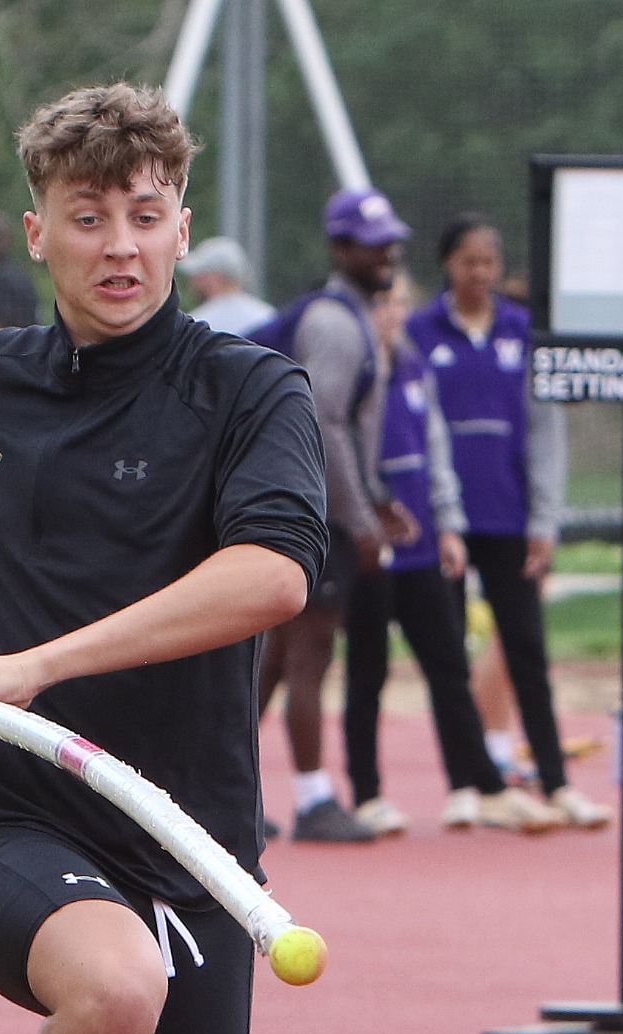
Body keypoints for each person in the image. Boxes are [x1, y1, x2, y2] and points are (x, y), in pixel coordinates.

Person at [0, 83, 326, 1034]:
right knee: (116, 987)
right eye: (86, 217)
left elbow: (270, 579)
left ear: (179, 226)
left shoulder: (250, 391)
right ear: (37, 234)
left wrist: (35, 663)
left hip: (194, 845)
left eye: (145, 214)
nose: (118, 247)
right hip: (14, 820)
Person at [408, 214, 610, 829]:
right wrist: (438, 510)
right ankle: (465, 782)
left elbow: (546, 432)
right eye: (469, 262)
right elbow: (424, 425)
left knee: (527, 649)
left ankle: (557, 781)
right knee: (446, 655)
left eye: (489, 262)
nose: (480, 273)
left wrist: (546, 519)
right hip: (446, 520)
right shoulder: (421, 333)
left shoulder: (523, 333)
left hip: (510, 516)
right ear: (448, 264)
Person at [341, 276, 561, 834]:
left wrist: (448, 524)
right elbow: (338, 448)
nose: (391, 314)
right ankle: (365, 795)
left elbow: (434, 446)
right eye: (381, 303)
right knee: (368, 672)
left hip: (422, 544)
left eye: (397, 303)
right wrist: (368, 512)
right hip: (373, 543)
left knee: (448, 668)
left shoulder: (415, 366)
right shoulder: (354, 375)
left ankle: (484, 787)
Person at [257, 187, 417, 843]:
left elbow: (346, 424)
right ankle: (315, 797)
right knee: (309, 652)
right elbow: (324, 428)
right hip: (308, 510)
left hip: (304, 502)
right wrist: (359, 520)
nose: (385, 253)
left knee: (272, 655)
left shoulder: (348, 318)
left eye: (388, 242)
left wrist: (375, 498)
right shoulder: (333, 324)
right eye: (370, 243)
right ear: (339, 248)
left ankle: (215, 789)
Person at [179, 236, 274, 335]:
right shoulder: (267, 317)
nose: (192, 280)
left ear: (214, 276)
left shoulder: (196, 325)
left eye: (199, 273)